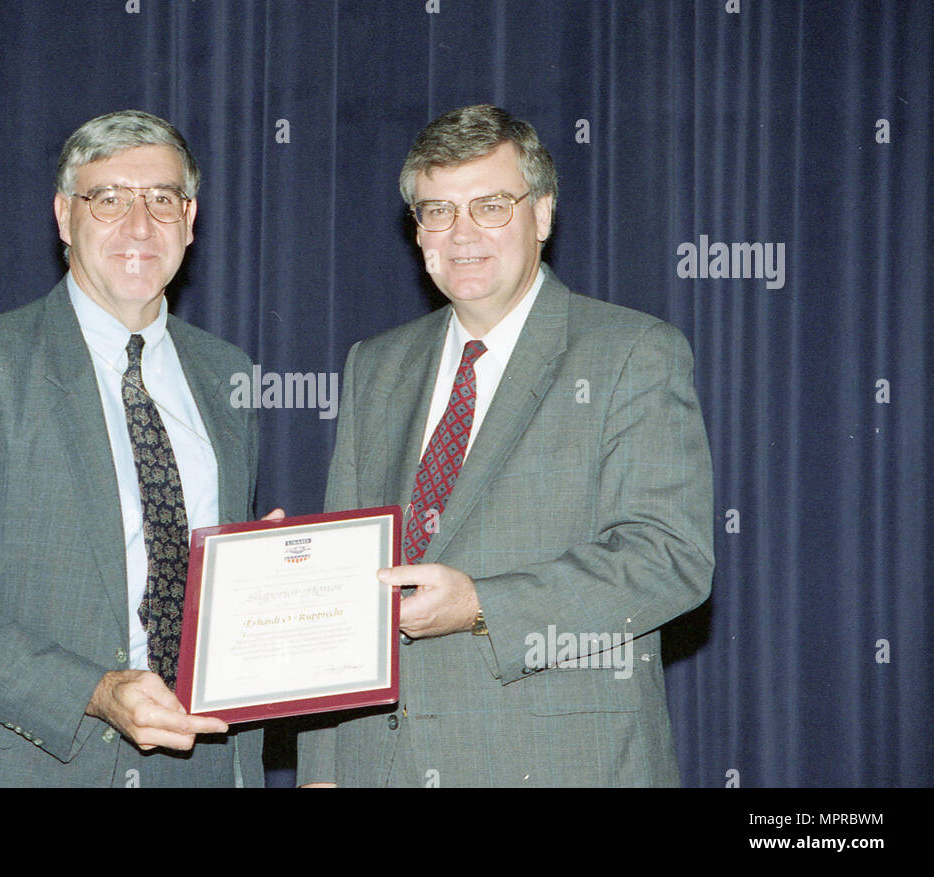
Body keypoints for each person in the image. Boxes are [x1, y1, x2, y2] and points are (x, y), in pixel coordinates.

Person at [296, 105, 714, 787]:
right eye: (438, 211)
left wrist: (483, 604)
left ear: (542, 213)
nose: (462, 235)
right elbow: (347, 581)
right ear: (418, 229)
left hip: (558, 764)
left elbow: (671, 558)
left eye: (490, 206)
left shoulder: (632, 352)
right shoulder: (374, 365)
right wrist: (321, 768)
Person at [0, 109, 270, 787]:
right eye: (109, 199)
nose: (139, 225)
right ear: (65, 217)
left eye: (161, 199)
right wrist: (95, 690)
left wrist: (266, 577)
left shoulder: (227, 375)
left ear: (191, 217)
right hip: (33, 762)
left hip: (204, 761)